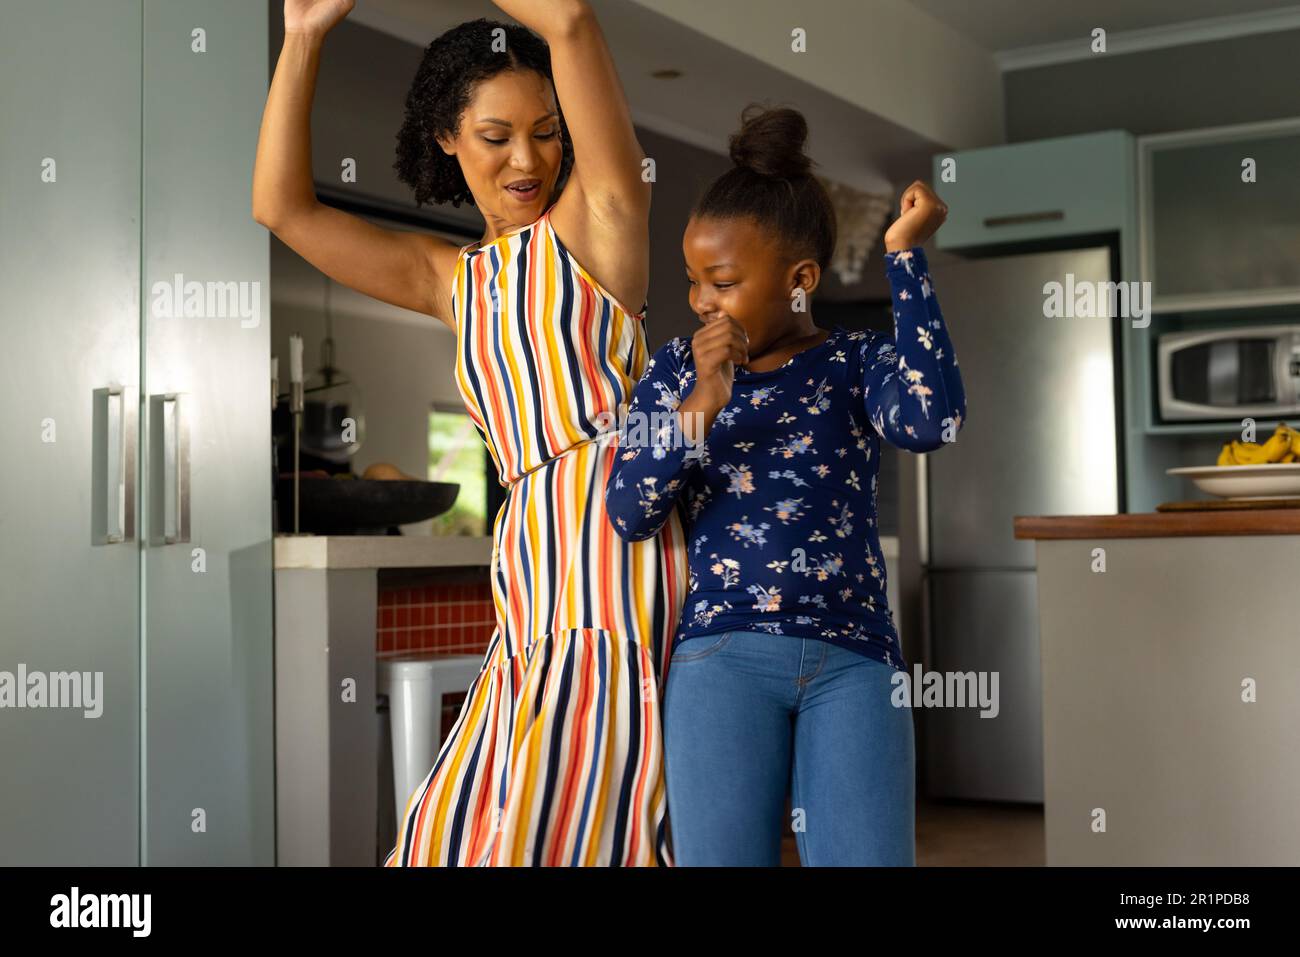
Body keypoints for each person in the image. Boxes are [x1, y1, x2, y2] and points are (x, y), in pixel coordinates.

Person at [254, 0, 687, 866]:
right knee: (456, 829)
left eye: (546, 131)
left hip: (619, 553)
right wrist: (302, 35)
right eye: (495, 136)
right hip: (528, 569)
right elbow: (282, 209)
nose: (526, 159)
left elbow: (567, 18)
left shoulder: (600, 226)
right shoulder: (453, 278)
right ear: (448, 138)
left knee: (566, 823)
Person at [605, 106, 966, 866]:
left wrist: (904, 257)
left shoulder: (855, 362)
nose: (703, 300)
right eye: (694, 281)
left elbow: (934, 420)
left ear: (800, 281)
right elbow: (628, 507)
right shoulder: (675, 370)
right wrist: (704, 401)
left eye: (724, 282)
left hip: (855, 662)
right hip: (721, 662)